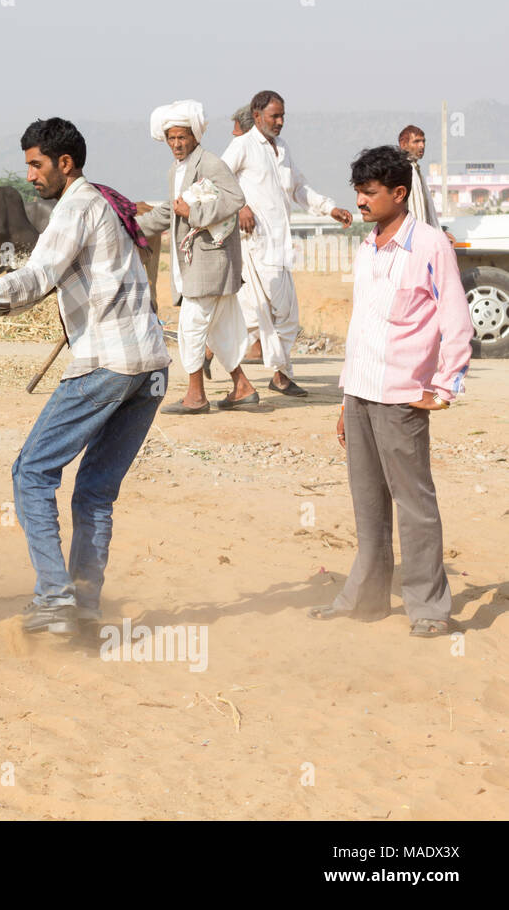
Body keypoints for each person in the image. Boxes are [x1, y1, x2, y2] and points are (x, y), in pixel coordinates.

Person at [0, 117, 170, 635]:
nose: (29, 175)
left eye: (36, 165)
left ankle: (54, 597)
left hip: (107, 362)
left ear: (64, 164)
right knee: (95, 491)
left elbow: (37, 276)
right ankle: (86, 607)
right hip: (151, 367)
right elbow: (60, 280)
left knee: (30, 473)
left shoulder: (76, 205)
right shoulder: (104, 203)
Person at [310, 145, 473, 637]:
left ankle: (428, 610)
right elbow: (363, 327)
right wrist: (345, 399)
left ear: (399, 194)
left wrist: (444, 388)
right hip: (360, 393)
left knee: (415, 505)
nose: (360, 200)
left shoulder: (429, 245)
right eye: (357, 191)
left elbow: (457, 322)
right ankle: (366, 598)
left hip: (403, 396)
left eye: (370, 192)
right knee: (368, 503)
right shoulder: (368, 246)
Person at [221, 90, 354, 395]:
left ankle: (275, 373)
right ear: (257, 116)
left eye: (282, 116)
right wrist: (240, 206)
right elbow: (218, 179)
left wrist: (329, 208)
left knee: (286, 315)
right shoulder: (242, 146)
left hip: (281, 244)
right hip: (254, 243)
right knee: (258, 312)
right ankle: (268, 374)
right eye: (274, 116)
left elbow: (299, 188)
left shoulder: (282, 147)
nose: (280, 122)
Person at [137, 101, 255, 414]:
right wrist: (131, 227)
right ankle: (242, 387)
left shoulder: (210, 163)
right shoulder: (178, 169)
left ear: (195, 136)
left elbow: (235, 199)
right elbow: (171, 210)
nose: (176, 144)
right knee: (219, 330)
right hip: (200, 263)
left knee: (191, 328)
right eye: (171, 138)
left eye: (182, 137)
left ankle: (196, 397)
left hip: (210, 262)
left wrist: (196, 212)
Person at [396, 125, 452, 243]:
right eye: (416, 141)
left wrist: (439, 233)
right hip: (412, 241)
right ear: (403, 145)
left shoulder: (415, 170)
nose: (422, 145)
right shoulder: (402, 170)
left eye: (423, 141)